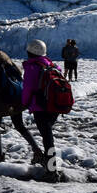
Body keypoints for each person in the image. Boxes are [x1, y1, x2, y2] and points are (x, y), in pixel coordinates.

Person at [0, 36, 43, 165]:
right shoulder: (2, 56)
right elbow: (17, 72)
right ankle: (37, 151)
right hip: (14, 95)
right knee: (19, 125)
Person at [21, 39, 62, 180]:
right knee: (48, 136)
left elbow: (27, 89)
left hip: (41, 107)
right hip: (54, 106)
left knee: (48, 139)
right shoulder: (52, 65)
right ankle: (48, 164)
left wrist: (25, 104)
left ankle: (52, 170)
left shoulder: (32, 67)